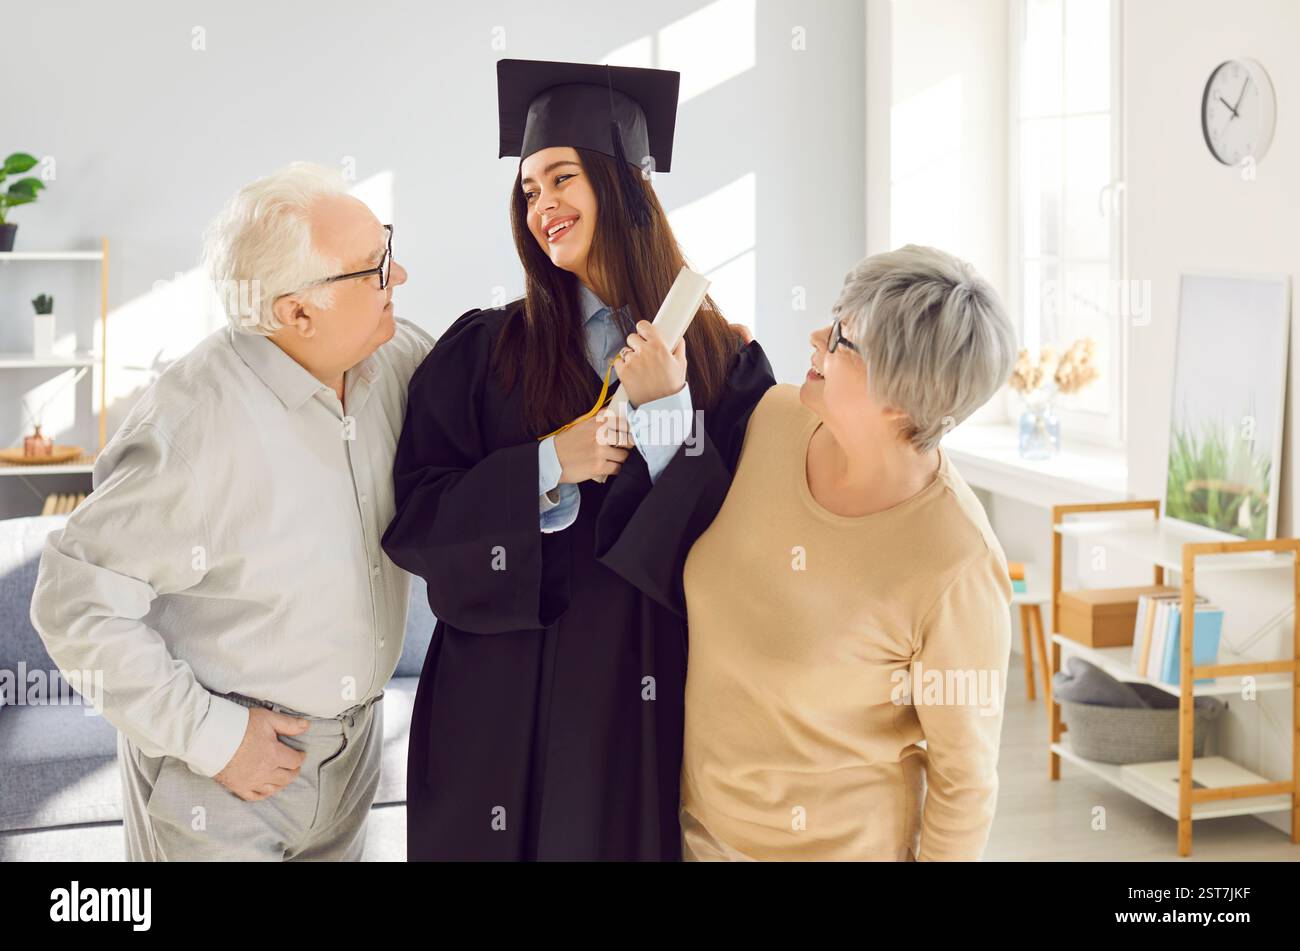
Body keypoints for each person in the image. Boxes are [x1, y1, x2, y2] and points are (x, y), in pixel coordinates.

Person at [381, 58, 774, 860]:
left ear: (622, 185)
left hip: (633, 701)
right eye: (527, 191)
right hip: (491, 706)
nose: (542, 206)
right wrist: (545, 467)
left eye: (561, 178)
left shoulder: (719, 364)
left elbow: (736, 551)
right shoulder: (485, 352)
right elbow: (418, 517)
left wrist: (667, 412)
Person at [29, 162, 434, 861]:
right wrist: (215, 738)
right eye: (374, 267)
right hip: (225, 782)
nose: (398, 278)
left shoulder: (394, 357)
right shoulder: (191, 424)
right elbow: (70, 602)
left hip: (352, 759)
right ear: (296, 311)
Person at [614, 245, 1018, 861]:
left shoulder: (955, 564)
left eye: (841, 338)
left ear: (902, 395)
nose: (815, 337)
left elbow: (965, 783)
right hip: (699, 836)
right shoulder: (773, 419)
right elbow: (678, 503)